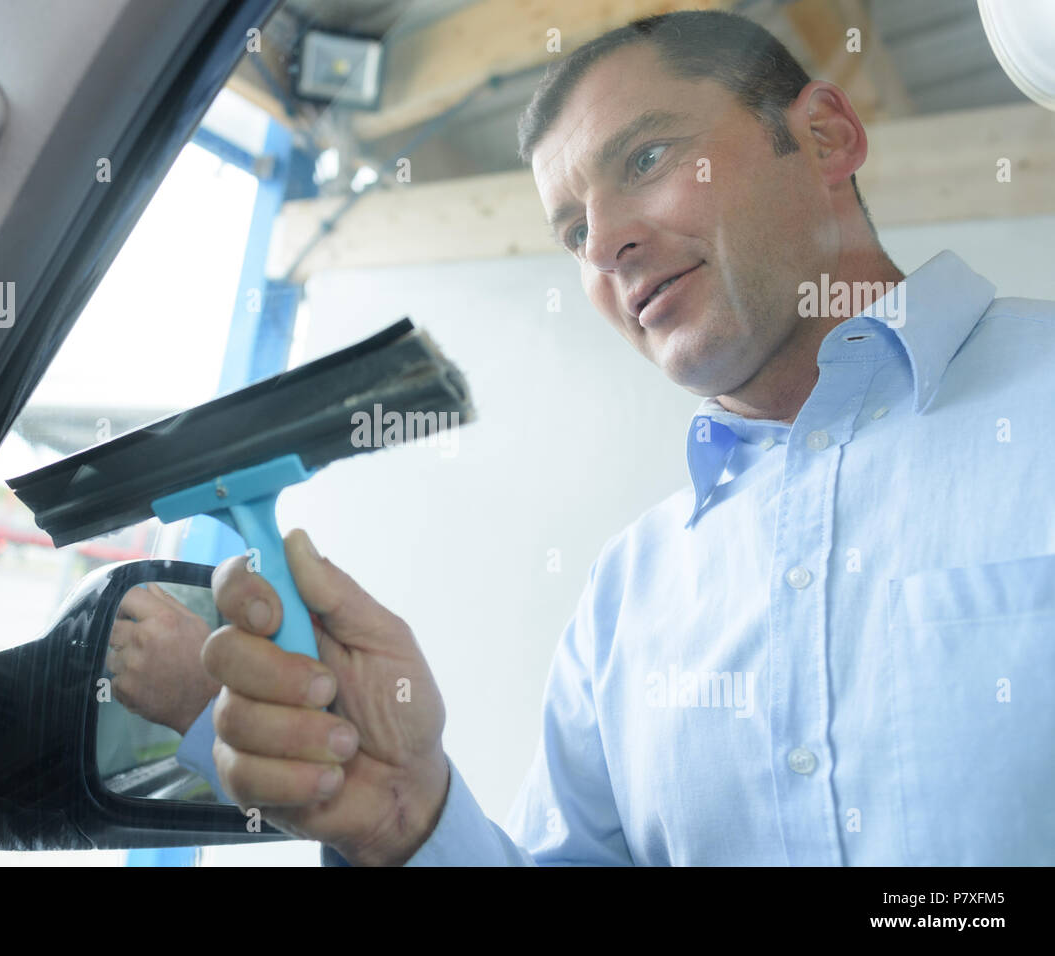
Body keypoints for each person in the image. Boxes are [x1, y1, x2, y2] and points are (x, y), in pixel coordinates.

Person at [138, 9, 1055, 865]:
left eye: (649, 157)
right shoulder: (626, 595)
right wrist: (411, 820)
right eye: (572, 231)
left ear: (824, 137)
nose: (606, 242)